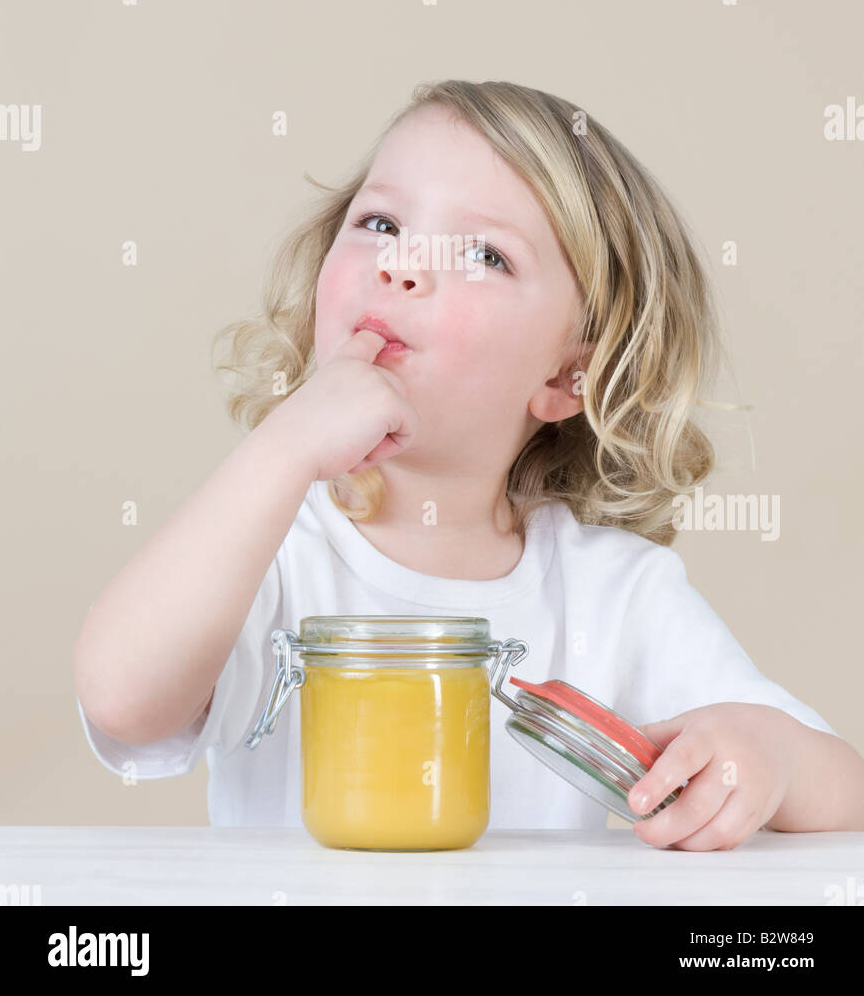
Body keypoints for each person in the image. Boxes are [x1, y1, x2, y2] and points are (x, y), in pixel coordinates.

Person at [72, 80, 864, 849]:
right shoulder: (264, 547)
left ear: (567, 377)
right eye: (380, 222)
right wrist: (284, 447)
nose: (403, 264)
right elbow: (122, 699)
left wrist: (773, 753)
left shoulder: (613, 596)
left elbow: (847, 791)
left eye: (484, 253)